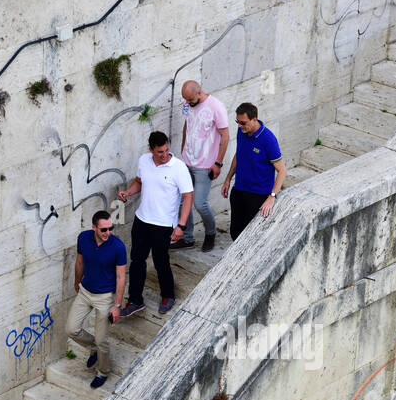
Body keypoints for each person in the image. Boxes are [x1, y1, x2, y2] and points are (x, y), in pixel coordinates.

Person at [118, 131, 193, 316]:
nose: (164, 154)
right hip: (142, 220)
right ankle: (135, 300)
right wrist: (128, 192)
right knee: (137, 261)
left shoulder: (179, 168)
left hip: (164, 224)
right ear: (151, 149)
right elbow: (139, 182)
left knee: (161, 261)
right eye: (160, 151)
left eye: (166, 149)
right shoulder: (144, 160)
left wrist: (181, 225)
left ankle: (168, 295)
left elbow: (188, 196)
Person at [67, 210, 127, 389]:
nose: (108, 233)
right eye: (103, 230)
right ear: (94, 228)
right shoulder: (84, 238)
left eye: (110, 228)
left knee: (102, 340)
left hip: (105, 297)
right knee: (71, 329)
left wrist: (117, 305)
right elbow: (79, 262)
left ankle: (103, 371)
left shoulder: (118, 247)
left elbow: (121, 277)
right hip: (85, 292)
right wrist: (77, 281)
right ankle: (94, 349)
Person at [220, 102, 286, 241]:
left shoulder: (268, 140)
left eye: (243, 122)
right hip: (239, 190)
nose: (239, 126)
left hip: (258, 195)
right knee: (235, 232)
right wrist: (227, 180)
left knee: (250, 236)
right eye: (237, 122)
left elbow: (281, 171)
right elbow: (239, 155)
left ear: (254, 119)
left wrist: (272, 197)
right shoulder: (242, 131)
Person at [176, 80, 229, 252]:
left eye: (190, 99)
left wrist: (218, 163)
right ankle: (187, 237)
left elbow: (225, 136)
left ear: (199, 93)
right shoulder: (189, 104)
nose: (188, 103)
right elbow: (187, 125)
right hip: (186, 161)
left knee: (199, 203)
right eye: (186, 100)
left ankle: (211, 233)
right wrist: (183, 149)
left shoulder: (216, 106)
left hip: (205, 165)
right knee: (183, 201)